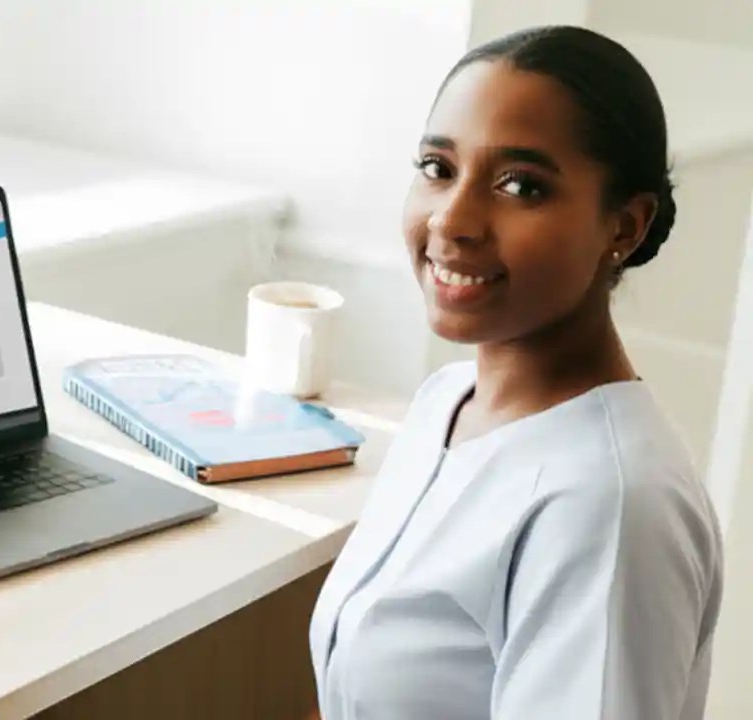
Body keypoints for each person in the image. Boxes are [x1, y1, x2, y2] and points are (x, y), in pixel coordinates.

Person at [308, 25, 724, 719]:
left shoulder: (610, 507)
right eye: (438, 169)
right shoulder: (448, 402)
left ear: (624, 227)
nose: (455, 220)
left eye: (520, 186)